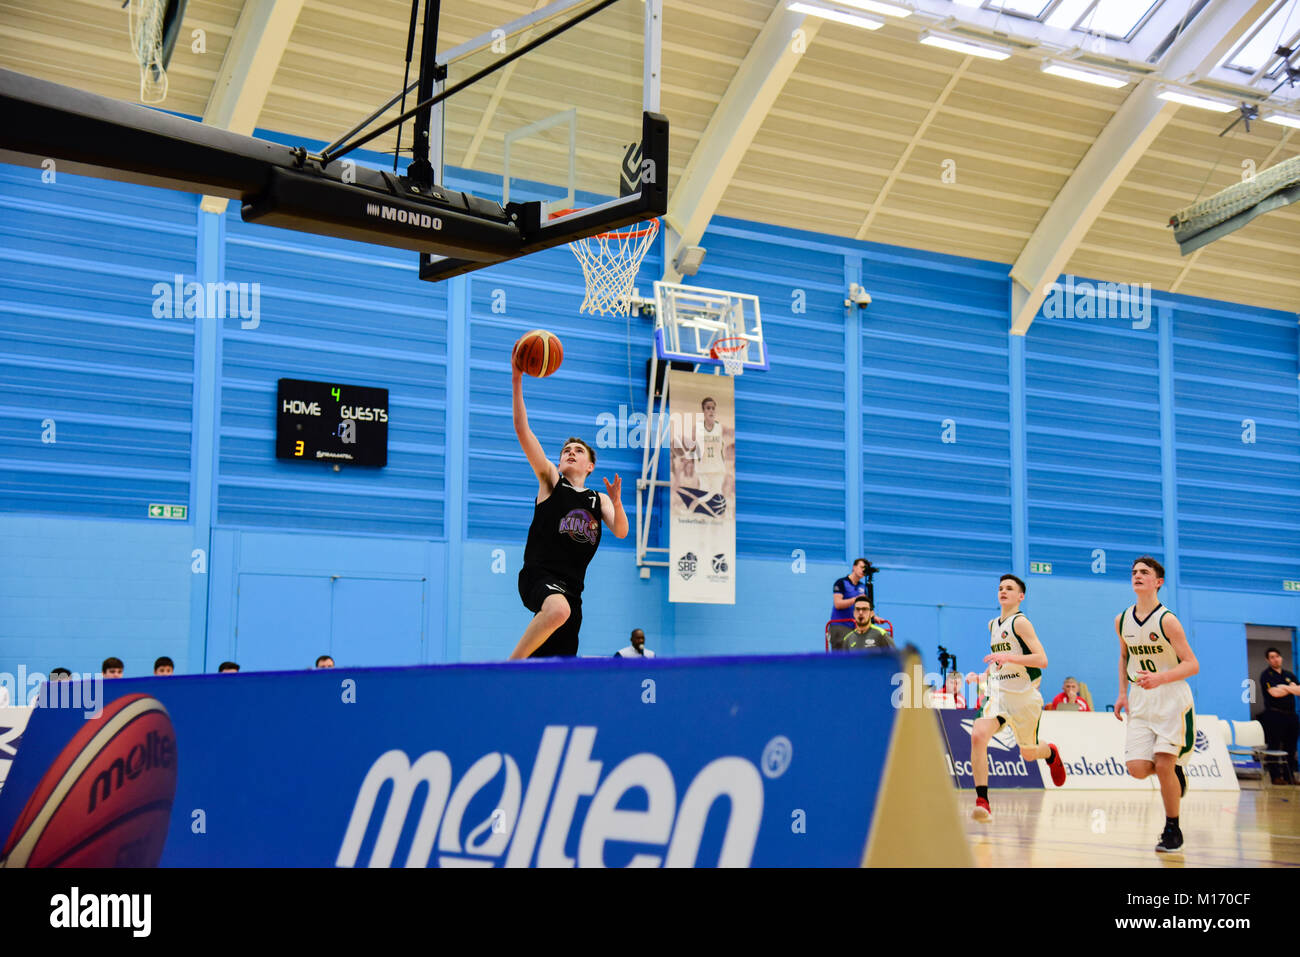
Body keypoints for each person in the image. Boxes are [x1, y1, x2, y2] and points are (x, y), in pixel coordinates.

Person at [509, 361, 628, 659]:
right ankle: (508, 666)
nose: (570, 452)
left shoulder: (598, 500)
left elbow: (623, 532)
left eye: (578, 450)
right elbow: (524, 433)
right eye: (566, 450)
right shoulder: (551, 481)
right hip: (538, 576)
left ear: (590, 466)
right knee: (557, 609)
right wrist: (517, 378)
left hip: (573, 593)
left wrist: (616, 502)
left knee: (557, 665)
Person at [1114, 555, 1199, 853]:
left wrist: (1161, 678)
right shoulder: (1122, 619)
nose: (1137, 575)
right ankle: (1173, 773)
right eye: (1134, 571)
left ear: (1157, 582)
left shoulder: (1167, 620)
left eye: (1144, 572)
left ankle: (1172, 829)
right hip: (1140, 701)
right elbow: (1125, 657)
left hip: (1171, 701)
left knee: (1163, 763)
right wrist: (1122, 693)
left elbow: (1192, 664)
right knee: (1137, 768)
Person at [968, 574, 1066, 822]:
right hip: (999, 694)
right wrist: (981, 676)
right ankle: (983, 801)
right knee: (978, 734)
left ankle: (1051, 753)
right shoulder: (993, 625)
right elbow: (999, 662)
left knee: (1029, 754)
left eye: (1009, 588)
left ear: (1020, 596)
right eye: (1001, 588)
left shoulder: (1021, 623)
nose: (1003, 591)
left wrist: (1010, 659)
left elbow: (1042, 660)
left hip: (1024, 698)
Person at [1258, 647, 1299, 783]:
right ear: (1268, 660)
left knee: (1291, 747)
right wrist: (1291, 688)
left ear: (1281, 658)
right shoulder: (1266, 675)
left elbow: (1299, 691)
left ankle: (1290, 776)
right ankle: (1275, 776)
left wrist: (1284, 688)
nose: (1276, 659)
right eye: (1272, 657)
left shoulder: (1289, 675)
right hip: (1274, 715)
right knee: (1274, 745)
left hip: (1291, 715)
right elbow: (1274, 693)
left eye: (1277, 656)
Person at [830, 558, 869, 624]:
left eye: (865, 569)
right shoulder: (841, 582)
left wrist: (875, 617)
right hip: (840, 625)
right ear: (854, 567)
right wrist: (856, 599)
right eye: (861, 567)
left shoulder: (863, 587)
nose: (863, 570)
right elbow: (837, 604)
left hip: (855, 626)